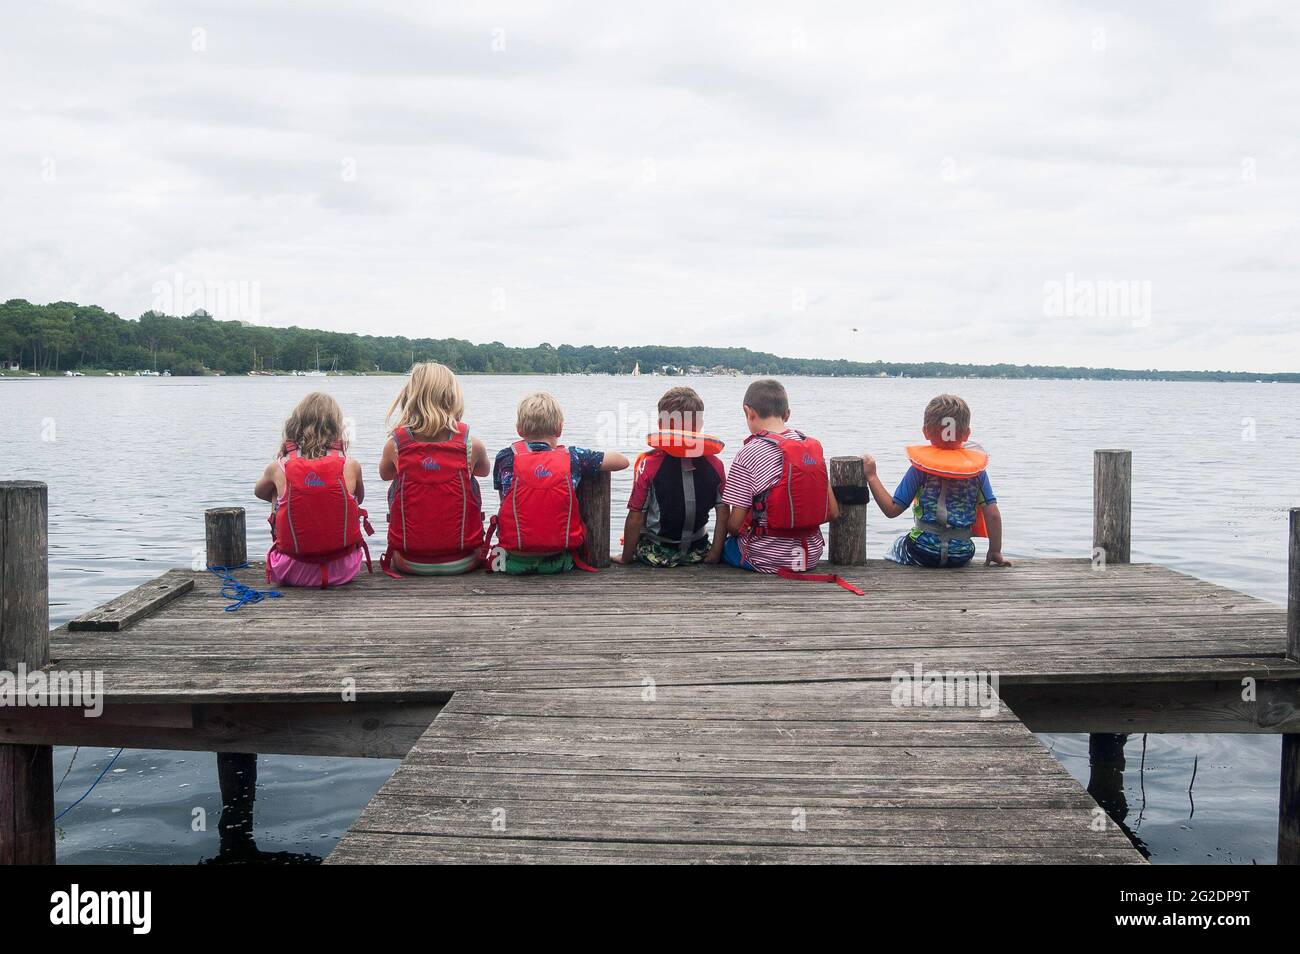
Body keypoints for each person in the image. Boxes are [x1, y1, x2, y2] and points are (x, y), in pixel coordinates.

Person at [862, 393, 1011, 568]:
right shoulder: (977, 472)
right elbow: (992, 515)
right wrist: (995, 551)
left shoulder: (919, 470)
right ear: (967, 434)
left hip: (923, 551)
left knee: (896, 546)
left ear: (925, 431)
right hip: (961, 553)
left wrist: (871, 476)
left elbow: (892, 510)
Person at [491, 392, 628, 573]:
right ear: (560, 429)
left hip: (512, 562)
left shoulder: (505, 457)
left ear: (519, 429)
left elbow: (504, 501)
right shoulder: (574, 457)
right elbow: (622, 461)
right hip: (559, 562)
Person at [378, 362, 490, 576]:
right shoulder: (471, 444)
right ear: (452, 398)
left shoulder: (395, 445)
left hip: (408, 561)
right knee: (470, 478)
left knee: (398, 481)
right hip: (465, 560)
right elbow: (484, 471)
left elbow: (385, 475)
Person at [721, 378, 839, 574]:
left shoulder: (748, 453)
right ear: (787, 414)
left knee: (727, 546)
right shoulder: (811, 448)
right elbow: (833, 512)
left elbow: (734, 525)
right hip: (808, 557)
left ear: (748, 412)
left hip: (765, 558)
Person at [254, 391, 371, 587]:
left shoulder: (279, 467)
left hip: (290, 571)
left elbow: (259, 492)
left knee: (277, 491)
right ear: (337, 427)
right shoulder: (350, 466)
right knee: (345, 497)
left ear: (295, 425)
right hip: (343, 569)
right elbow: (360, 498)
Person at [618, 386, 727, 567]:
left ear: (661, 425)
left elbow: (636, 518)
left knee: (641, 539)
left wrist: (625, 558)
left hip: (658, 554)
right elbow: (723, 514)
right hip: (698, 552)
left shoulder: (649, 465)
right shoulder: (715, 464)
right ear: (699, 426)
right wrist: (714, 553)